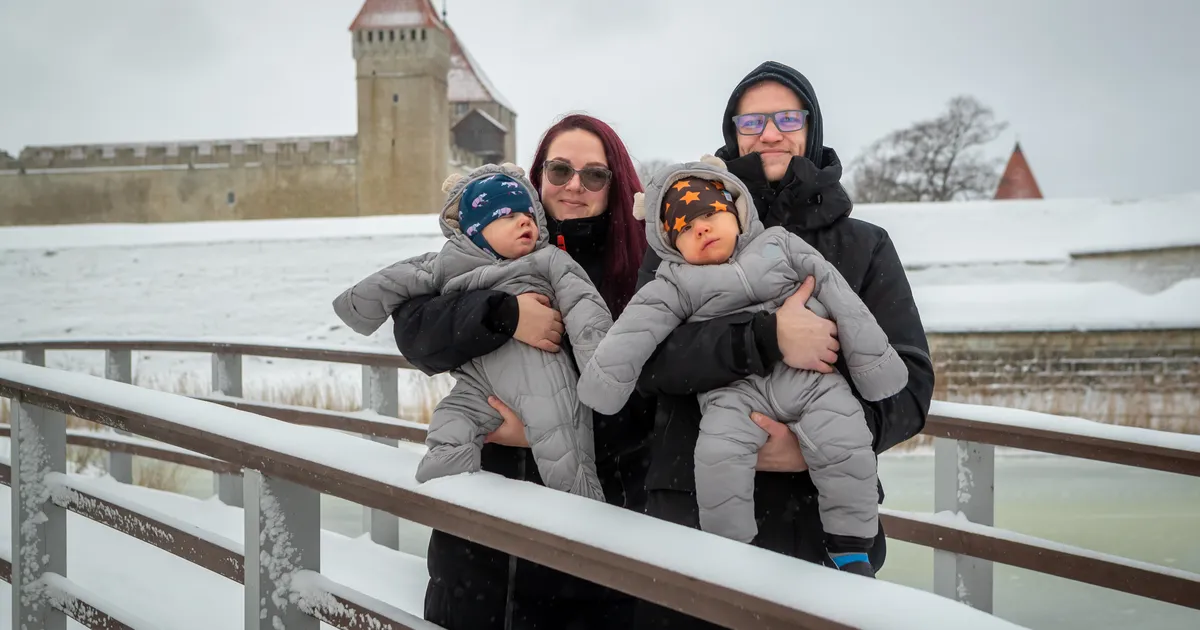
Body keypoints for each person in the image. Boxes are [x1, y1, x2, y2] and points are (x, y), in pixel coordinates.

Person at [632, 61, 936, 627]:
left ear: (810, 129)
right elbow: (648, 364)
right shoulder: (678, 238)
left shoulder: (864, 246)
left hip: (825, 524)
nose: (770, 133)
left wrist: (811, 444)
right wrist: (765, 339)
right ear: (732, 134)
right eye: (752, 122)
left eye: (787, 117)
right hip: (693, 515)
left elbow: (910, 387)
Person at [578, 157, 909, 577]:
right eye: (681, 228)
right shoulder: (674, 281)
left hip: (811, 380)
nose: (698, 228)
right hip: (732, 393)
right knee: (718, 454)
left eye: (709, 214)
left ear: (736, 211)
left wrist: (873, 363)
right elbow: (635, 332)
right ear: (668, 244)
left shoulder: (780, 245)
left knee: (845, 439)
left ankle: (850, 546)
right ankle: (732, 555)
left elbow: (839, 295)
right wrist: (602, 384)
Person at [387, 114, 654, 630]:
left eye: (594, 175)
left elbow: (650, 401)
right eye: (559, 171)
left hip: (592, 535)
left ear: (615, 186)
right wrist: (506, 316)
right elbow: (416, 330)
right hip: (481, 543)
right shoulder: (488, 246)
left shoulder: (641, 272)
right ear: (537, 179)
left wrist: (538, 423)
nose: (574, 186)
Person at [331, 164, 613, 501]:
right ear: (476, 231)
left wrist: (599, 368)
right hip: (477, 383)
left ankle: (582, 526)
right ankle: (447, 502)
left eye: (527, 214)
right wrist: (357, 306)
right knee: (449, 424)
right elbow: (403, 278)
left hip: (540, 376)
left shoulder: (547, 259)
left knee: (564, 454)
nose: (524, 221)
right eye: (508, 216)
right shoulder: (451, 262)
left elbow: (585, 306)